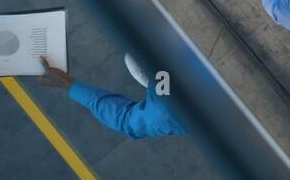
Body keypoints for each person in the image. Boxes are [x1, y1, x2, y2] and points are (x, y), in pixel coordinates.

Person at [37, 54, 186, 140]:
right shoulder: (167, 112)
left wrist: (68, 83)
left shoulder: (166, 111)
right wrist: (68, 84)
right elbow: (125, 120)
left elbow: (125, 120)